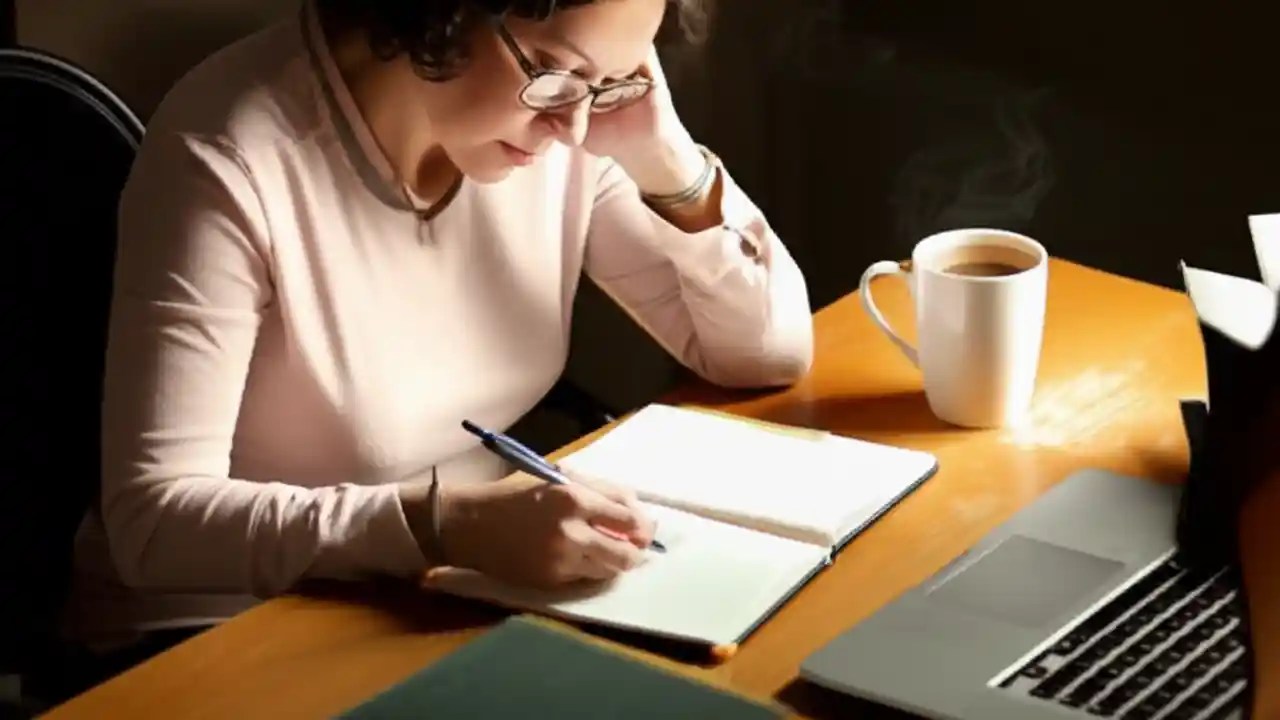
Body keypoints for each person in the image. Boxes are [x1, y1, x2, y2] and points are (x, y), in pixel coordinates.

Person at [62, 0, 813, 662]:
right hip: (225, 630)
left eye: (607, 82)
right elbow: (153, 524)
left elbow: (764, 353)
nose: (573, 125)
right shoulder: (232, 155)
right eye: (552, 72)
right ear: (442, 14)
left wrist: (665, 156)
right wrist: (437, 525)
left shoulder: (561, 132)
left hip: (442, 593)